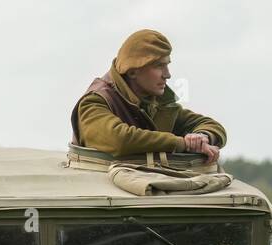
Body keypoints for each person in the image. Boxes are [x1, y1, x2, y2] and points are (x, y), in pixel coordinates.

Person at [70, 29, 226, 162]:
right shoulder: (96, 102)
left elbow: (212, 126)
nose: (167, 75)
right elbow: (120, 140)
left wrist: (201, 137)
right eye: (159, 66)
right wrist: (181, 143)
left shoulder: (156, 104)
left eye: (167, 65)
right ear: (132, 71)